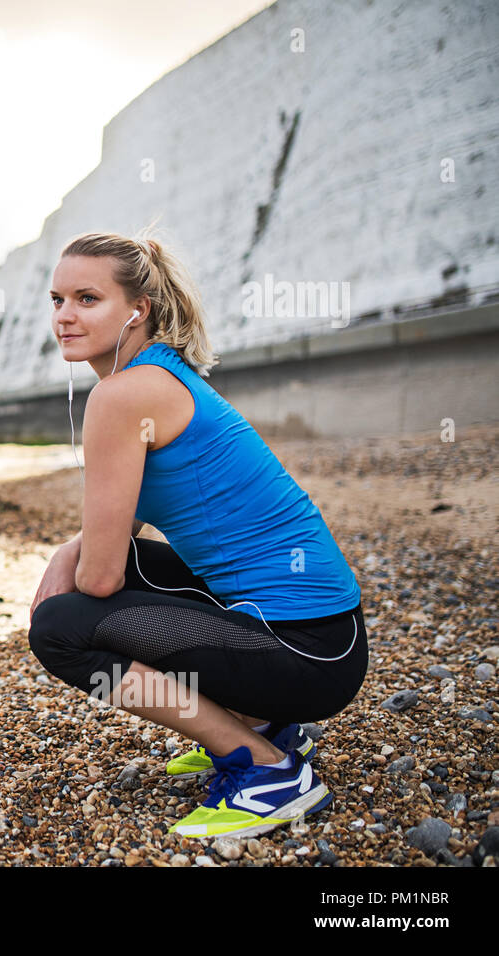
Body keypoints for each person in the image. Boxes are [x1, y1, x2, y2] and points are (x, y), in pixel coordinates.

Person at [26, 229, 368, 841]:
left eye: (86, 298)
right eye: (57, 300)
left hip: (305, 654)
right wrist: (65, 549)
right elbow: (122, 524)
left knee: (61, 631)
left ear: (139, 309)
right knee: (112, 573)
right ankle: (262, 725)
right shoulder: (159, 375)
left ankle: (264, 769)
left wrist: (72, 573)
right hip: (327, 640)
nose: (65, 316)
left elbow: (99, 579)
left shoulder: (123, 395)